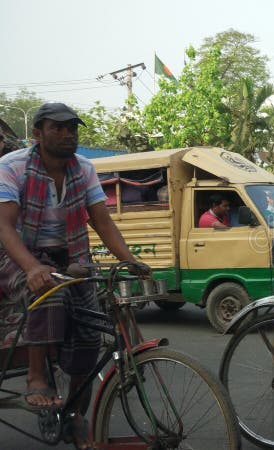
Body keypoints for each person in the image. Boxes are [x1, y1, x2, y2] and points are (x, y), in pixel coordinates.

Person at [0, 102, 141, 449]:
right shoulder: (12, 166)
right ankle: (36, 376)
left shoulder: (85, 169)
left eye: (72, 129)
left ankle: (76, 412)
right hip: (16, 254)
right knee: (50, 290)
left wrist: (130, 260)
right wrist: (32, 266)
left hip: (70, 255)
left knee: (92, 323)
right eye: (57, 128)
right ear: (37, 133)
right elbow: (3, 225)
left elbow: (101, 220)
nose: (67, 134)